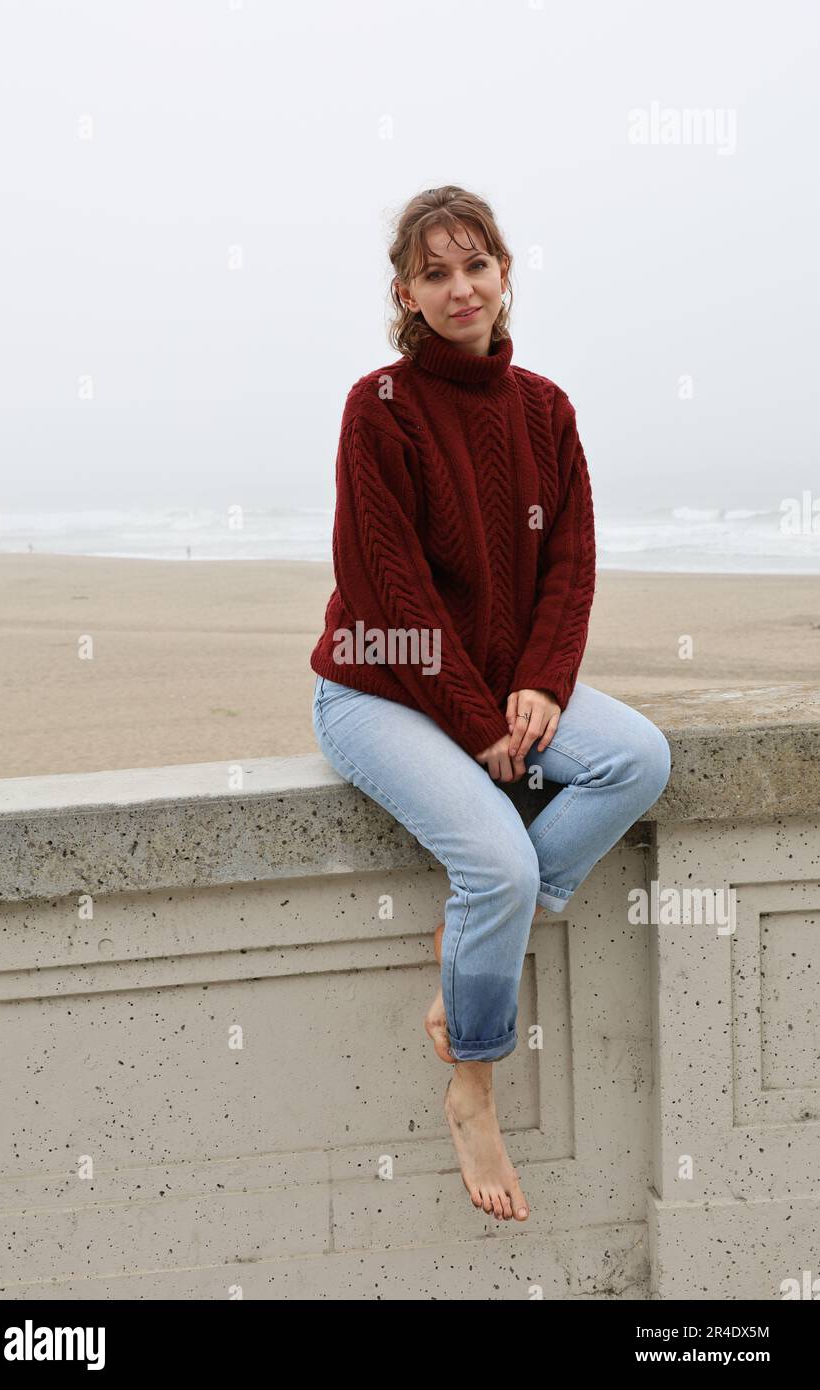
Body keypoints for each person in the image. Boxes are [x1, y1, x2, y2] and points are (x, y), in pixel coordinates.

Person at [310, 185, 671, 1224]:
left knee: (635, 756)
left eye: (475, 265)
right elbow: (390, 593)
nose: (458, 287)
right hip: (377, 687)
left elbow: (570, 559)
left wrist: (541, 683)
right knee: (498, 860)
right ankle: (472, 1082)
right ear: (405, 294)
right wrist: (481, 728)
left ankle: (487, 939)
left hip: (500, 683)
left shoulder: (545, 409)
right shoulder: (375, 409)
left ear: (504, 274)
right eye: (434, 272)